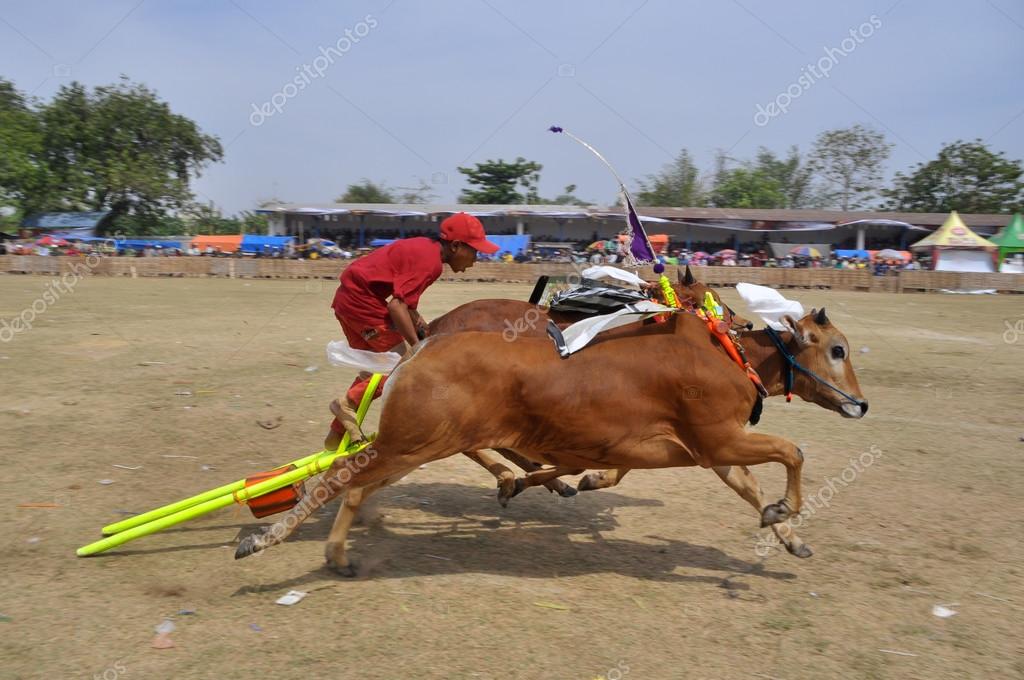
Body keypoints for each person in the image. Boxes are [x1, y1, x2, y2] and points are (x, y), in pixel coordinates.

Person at [326, 212, 499, 448]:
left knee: (374, 371)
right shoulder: (432, 263)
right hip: (361, 302)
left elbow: (407, 306)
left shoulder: (425, 250)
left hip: (348, 300)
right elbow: (396, 306)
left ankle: (336, 433)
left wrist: (422, 327)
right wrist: (418, 348)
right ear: (457, 246)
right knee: (402, 367)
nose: (476, 260)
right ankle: (344, 405)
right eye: (475, 251)